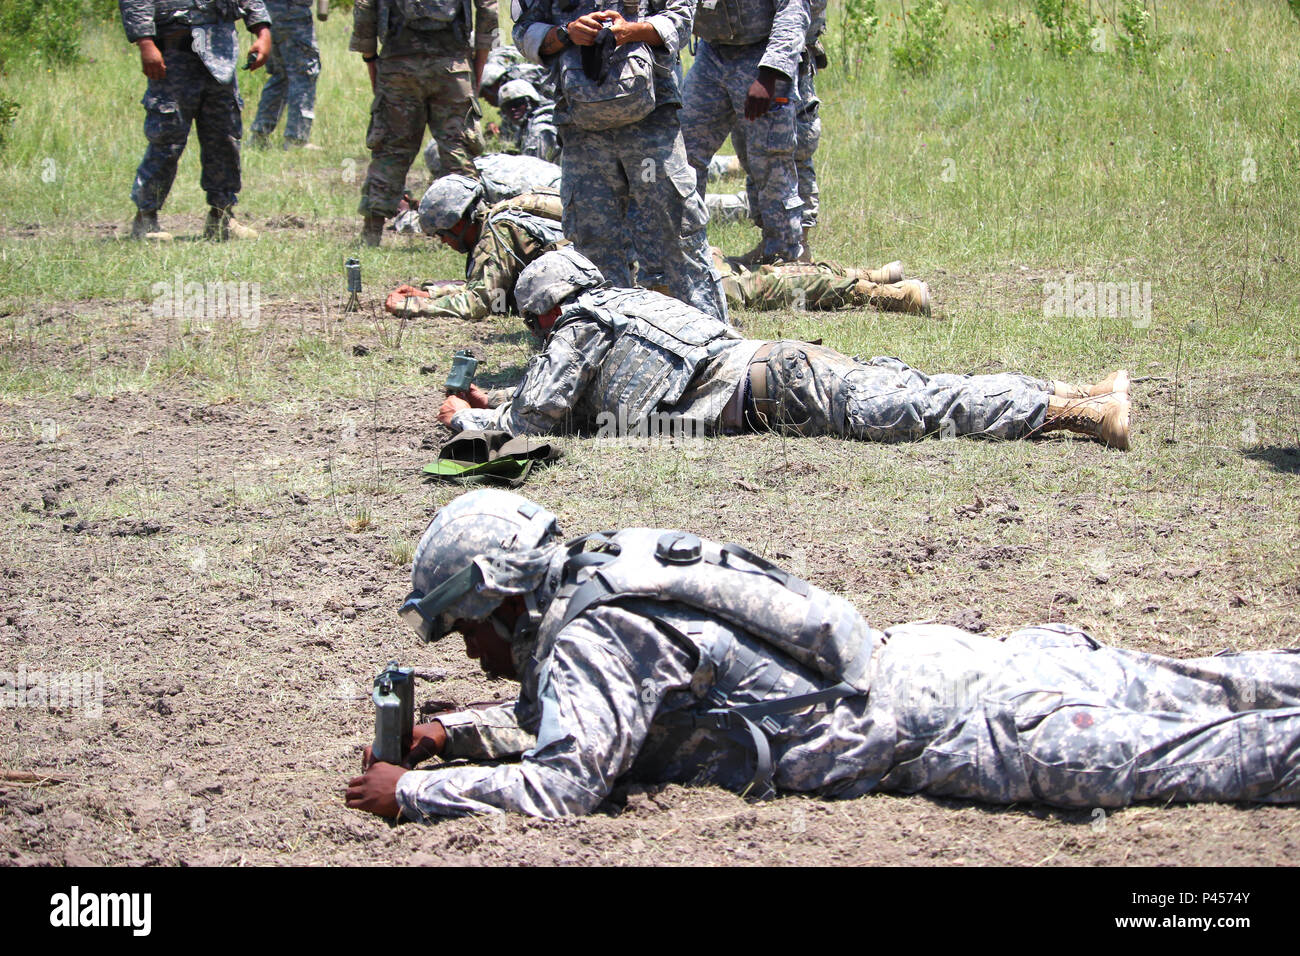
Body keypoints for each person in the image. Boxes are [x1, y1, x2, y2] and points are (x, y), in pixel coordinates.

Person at [345, 489, 1300, 820]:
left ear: (498, 595)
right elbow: (604, 717)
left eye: (462, 626)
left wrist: (413, 793)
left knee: (1218, 758)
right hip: (952, 661)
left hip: (966, 732)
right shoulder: (609, 573)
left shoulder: (593, 635)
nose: (468, 651)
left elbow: (562, 787)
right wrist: (454, 736)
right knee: (1220, 678)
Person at [437, 249, 1132, 449]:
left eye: (538, 328)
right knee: (917, 386)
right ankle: (1078, 395)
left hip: (778, 385)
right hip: (778, 367)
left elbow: (539, 421)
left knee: (922, 406)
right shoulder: (622, 302)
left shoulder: (577, 326)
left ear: (547, 312)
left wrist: (473, 419)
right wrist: (496, 396)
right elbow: (566, 397)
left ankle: (1073, 411)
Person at [511, 0, 729, 323]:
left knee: (676, 231)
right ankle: (613, 343)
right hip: (580, 126)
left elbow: (682, 17)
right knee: (593, 241)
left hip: (651, 119)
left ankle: (715, 345)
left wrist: (631, 31)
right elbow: (524, 31)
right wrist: (566, 33)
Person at [121, 0, 272, 242]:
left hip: (220, 53)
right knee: (167, 138)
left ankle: (222, 216)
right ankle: (145, 218)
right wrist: (145, 42)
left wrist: (262, 30)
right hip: (173, 54)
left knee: (224, 136)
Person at [351, 0, 498, 246]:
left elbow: (364, 6)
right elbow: (488, 7)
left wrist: (370, 57)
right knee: (458, 149)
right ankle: (474, 233)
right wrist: (478, 62)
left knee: (391, 148)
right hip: (453, 66)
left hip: (397, 64)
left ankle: (371, 234)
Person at [681, 0, 809, 264]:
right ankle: (685, 251)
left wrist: (771, 72)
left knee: (770, 158)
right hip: (711, 53)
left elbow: (793, 8)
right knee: (683, 150)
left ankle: (782, 257)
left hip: (762, 54)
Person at [387, 173, 565, 321]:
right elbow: (483, 286)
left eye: (443, 234)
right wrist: (430, 294)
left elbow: (479, 302)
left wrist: (409, 306)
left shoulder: (497, 233)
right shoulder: (494, 221)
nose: (443, 242)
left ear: (456, 224)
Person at [249, 0, 327, 150]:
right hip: (293, 13)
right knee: (304, 72)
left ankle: (259, 135)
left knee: (281, 74)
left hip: (267, 13)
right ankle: (296, 139)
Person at [497, 79, 560, 163]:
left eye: (517, 103)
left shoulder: (539, 129)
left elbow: (538, 167)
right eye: (507, 107)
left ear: (530, 102)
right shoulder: (526, 127)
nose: (512, 109)